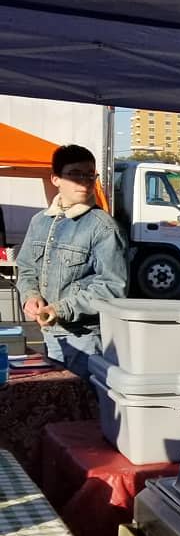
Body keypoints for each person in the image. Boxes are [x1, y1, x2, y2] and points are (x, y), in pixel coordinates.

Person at [16, 144, 127, 378]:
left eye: (90, 175)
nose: (84, 182)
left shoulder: (104, 227)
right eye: (75, 174)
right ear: (55, 179)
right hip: (50, 335)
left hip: (86, 339)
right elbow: (26, 268)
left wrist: (60, 309)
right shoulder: (39, 222)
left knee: (87, 399)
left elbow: (112, 287)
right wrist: (30, 296)